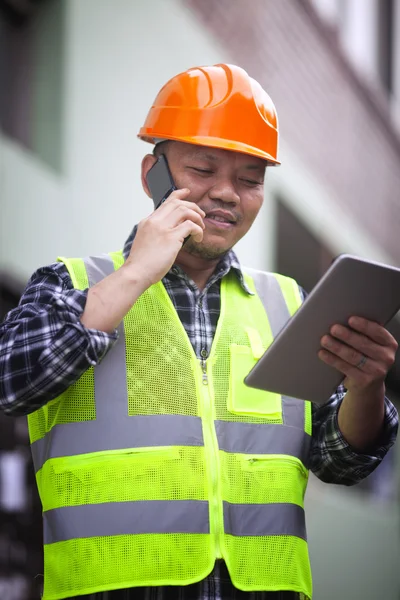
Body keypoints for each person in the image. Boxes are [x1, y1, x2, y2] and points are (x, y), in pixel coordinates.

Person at [0, 64, 398, 600]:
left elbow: (338, 460)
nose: (227, 194)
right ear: (153, 175)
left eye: (250, 180)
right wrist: (138, 271)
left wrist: (367, 385)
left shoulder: (287, 304)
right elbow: (13, 380)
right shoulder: (71, 284)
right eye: (203, 170)